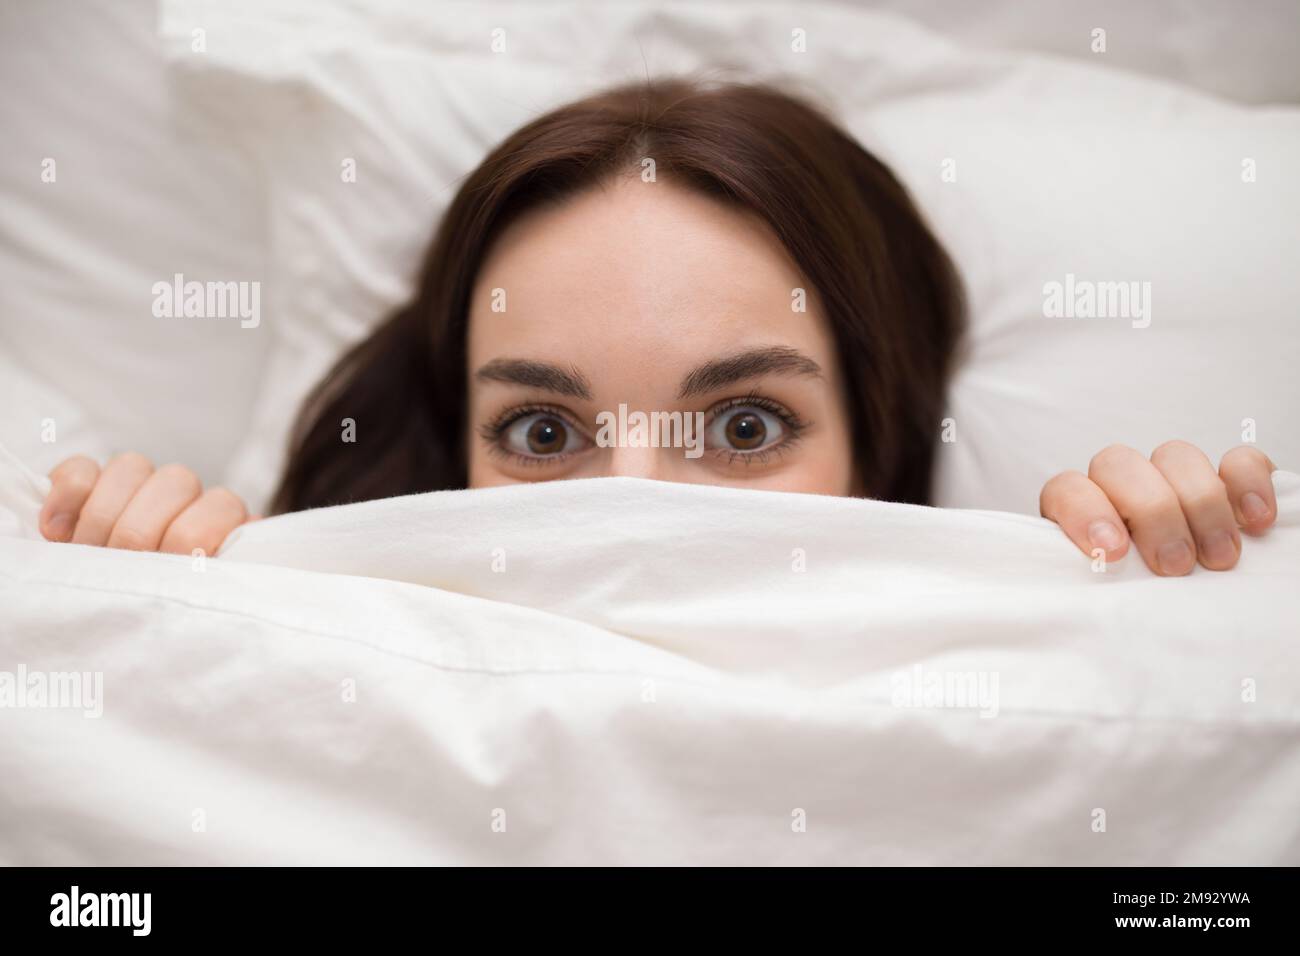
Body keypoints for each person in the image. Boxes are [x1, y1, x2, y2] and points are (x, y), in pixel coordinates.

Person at [36, 80, 1278, 575]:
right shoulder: (309, 640)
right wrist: (171, 611)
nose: (628, 503)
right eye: (539, 427)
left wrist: (1155, 574)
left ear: (878, 448)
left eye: (744, 423)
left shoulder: (1024, 644)